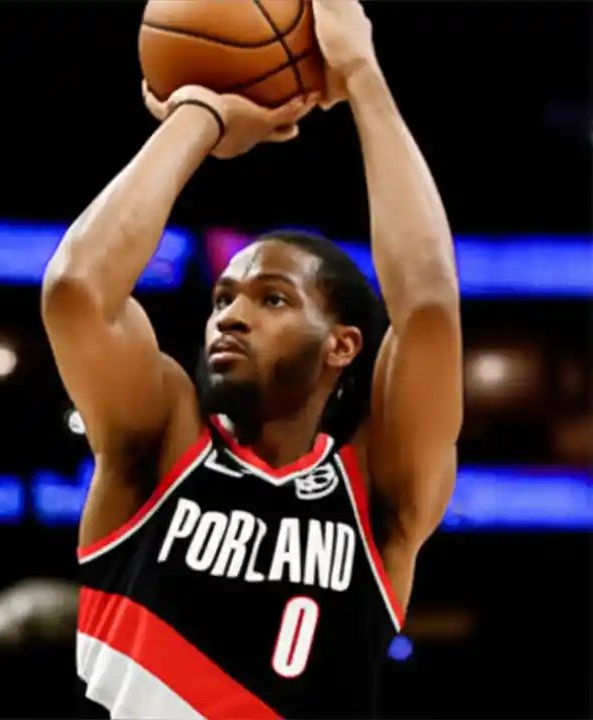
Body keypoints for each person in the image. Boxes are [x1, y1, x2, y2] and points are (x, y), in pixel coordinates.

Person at [42, 3, 461, 718]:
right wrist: (200, 114)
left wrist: (361, 72)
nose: (230, 315)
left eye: (271, 300)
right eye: (222, 298)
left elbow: (427, 308)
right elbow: (78, 292)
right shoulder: (160, 443)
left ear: (343, 344)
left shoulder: (376, 496)